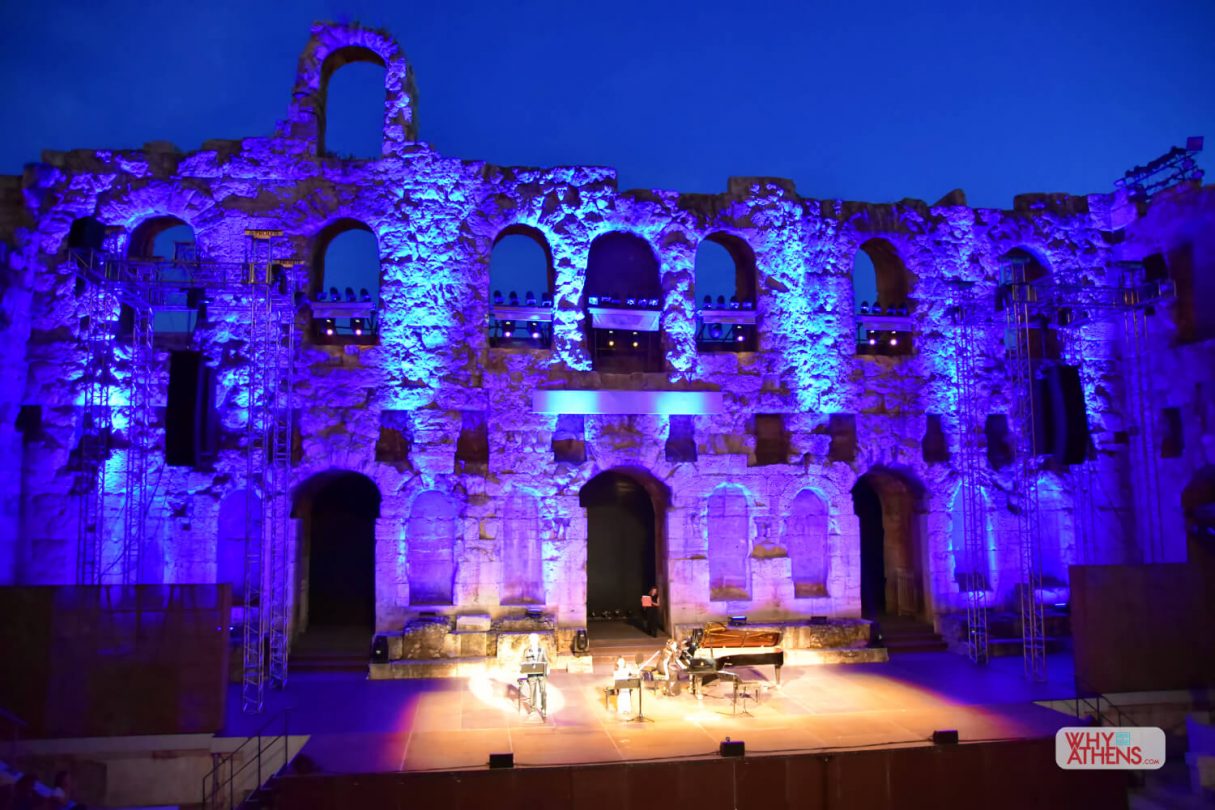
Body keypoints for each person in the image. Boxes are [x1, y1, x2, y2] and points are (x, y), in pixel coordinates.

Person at [521, 632, 548, 717]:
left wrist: (547, 669)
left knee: (543, 691)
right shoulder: (527, 650)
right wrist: (526, 665)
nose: (532, 641)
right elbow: (523, 662)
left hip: (541, 674)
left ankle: (544, 709)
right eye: (531, 639)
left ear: (537, 640)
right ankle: (533, 709)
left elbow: (546, 661)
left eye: (534, 639)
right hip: (532, 674)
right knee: (532, 692)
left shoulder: (542, 649)